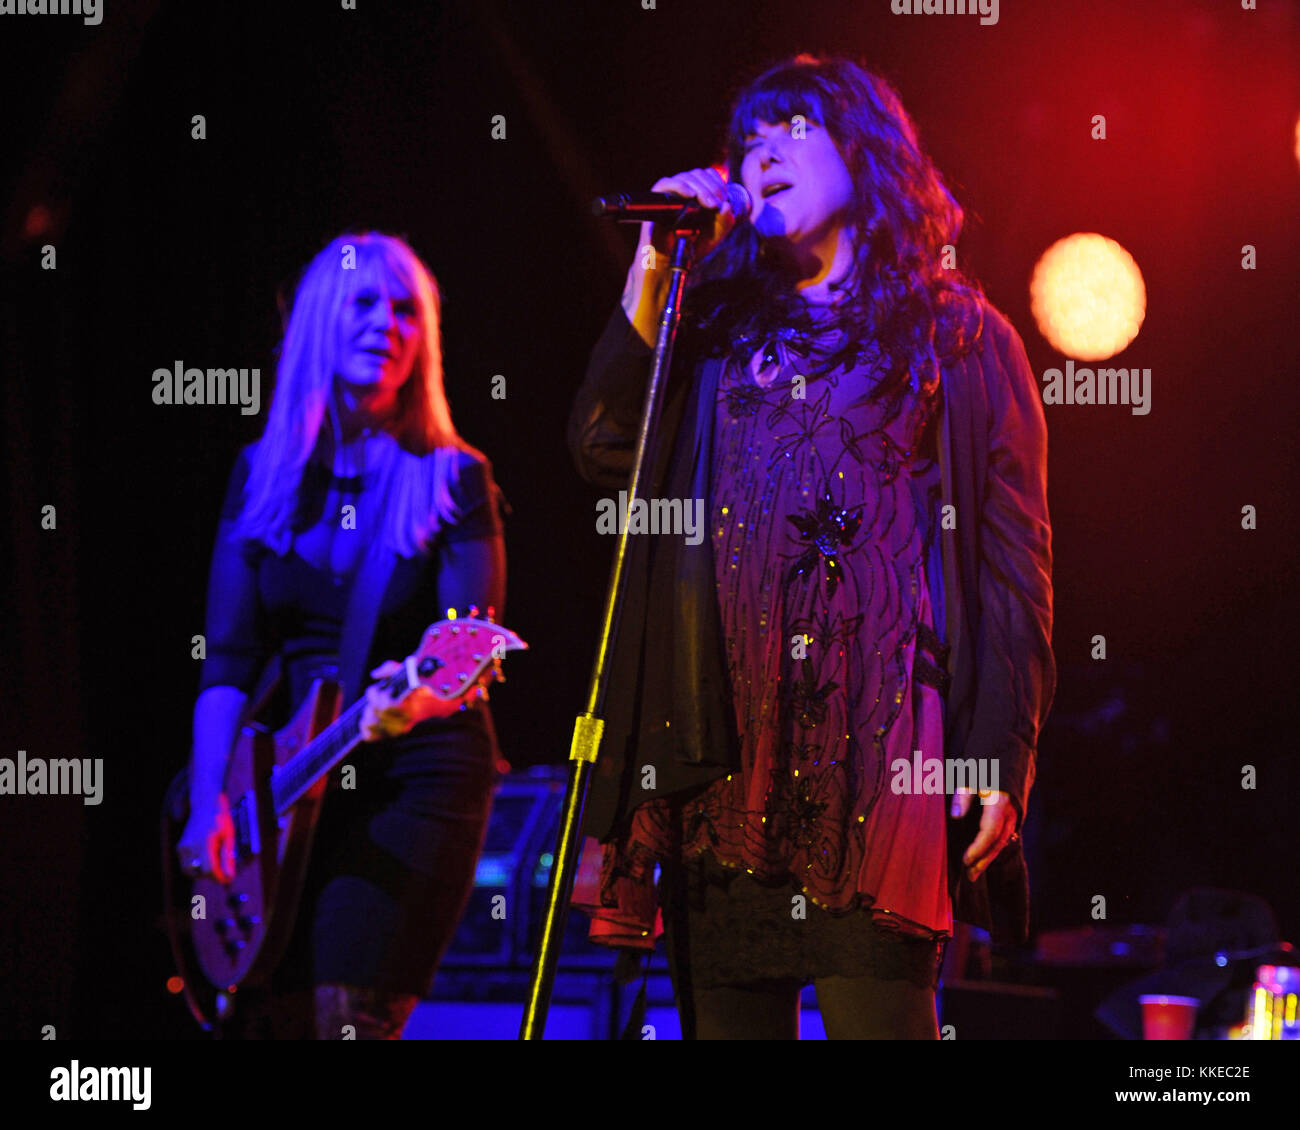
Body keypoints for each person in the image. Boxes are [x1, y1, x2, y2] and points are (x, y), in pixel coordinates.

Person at [567, 55, 1055, 1039]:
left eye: (790, 126)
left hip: (880, 774)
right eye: (746, 139)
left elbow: (1012, 568)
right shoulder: (709, 331)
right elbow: (600, 443)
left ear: (865, 149)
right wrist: (657, 262)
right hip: (724, 759)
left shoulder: (957, 337)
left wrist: (998, 752)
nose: (759, 153)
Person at [177, 231, 508, 1039]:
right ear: (321, 319)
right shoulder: (260, 475)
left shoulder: (455, 477)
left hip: (414, 778)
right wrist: (212, 798)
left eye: (405, 310)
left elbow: (468, 645)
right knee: (269, 1017)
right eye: (364, 303)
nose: (386, 324)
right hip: (292, 779)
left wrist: (416, 702)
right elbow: (228, 659)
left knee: (347, 1018)